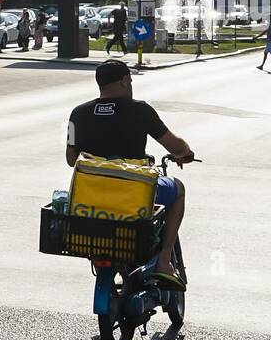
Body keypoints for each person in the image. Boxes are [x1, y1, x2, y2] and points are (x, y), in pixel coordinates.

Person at [66, 60, 196, 290]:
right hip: (133, 196)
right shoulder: (140, 110)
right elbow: (173, 145)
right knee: (178, 189)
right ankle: (164, 259)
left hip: (92, 198)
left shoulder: (78, 113)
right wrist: (185, 153)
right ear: (125, 81)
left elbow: (71, 159)